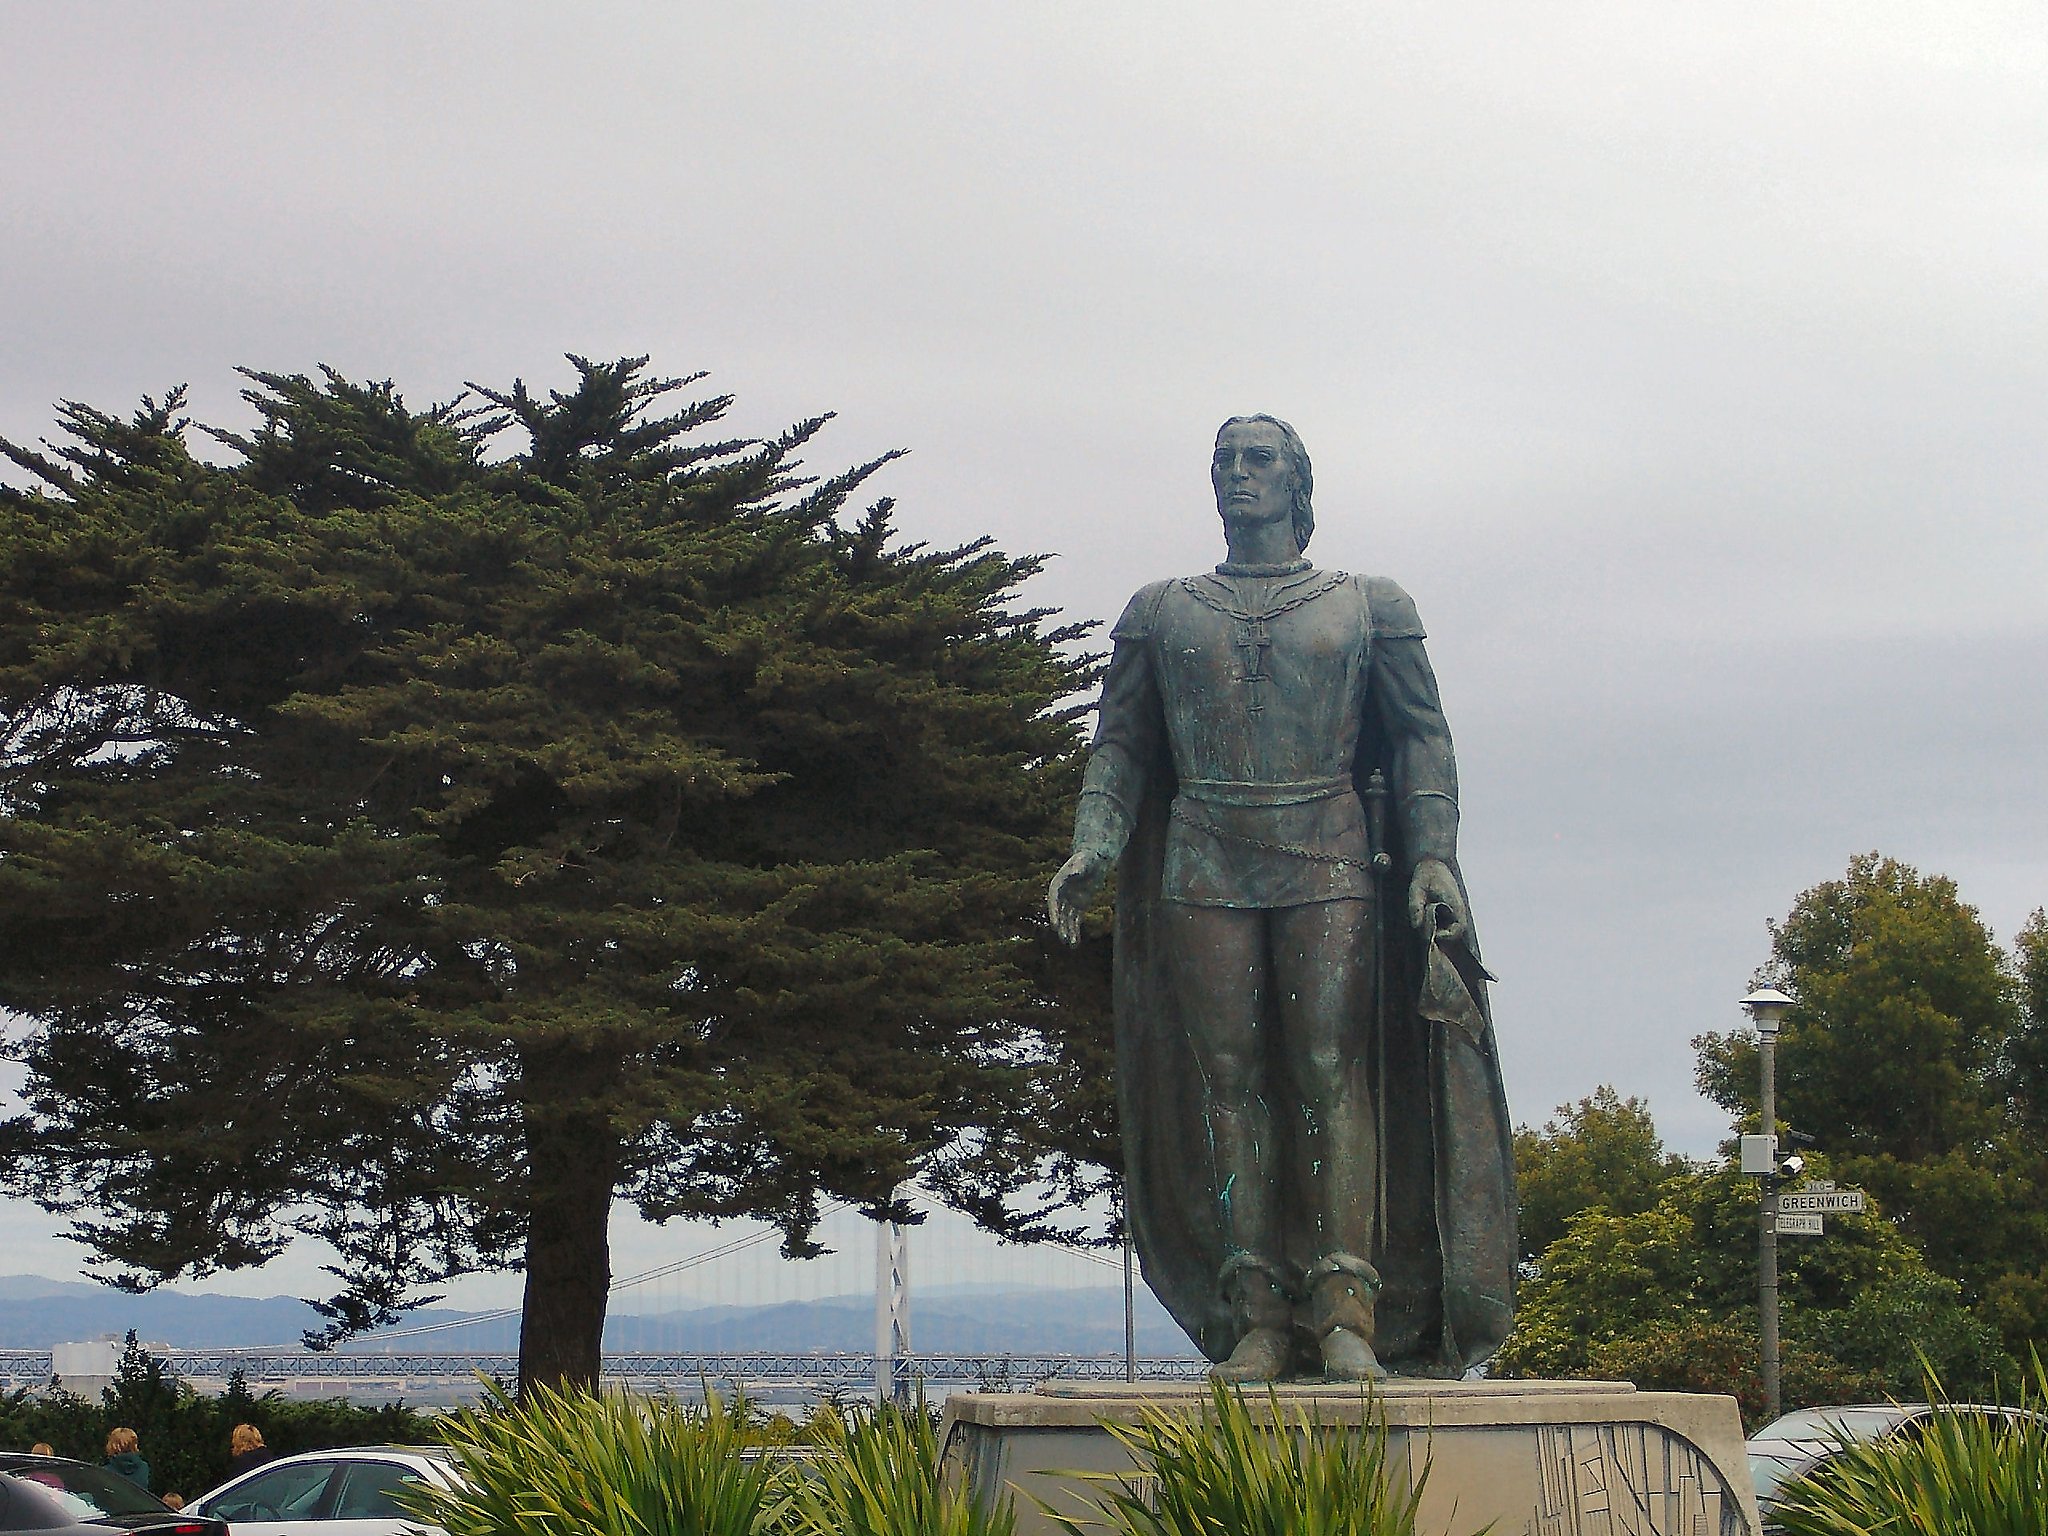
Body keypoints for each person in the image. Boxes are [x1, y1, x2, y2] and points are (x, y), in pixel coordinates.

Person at [1049, 415, 1515, 1381]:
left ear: (1298, 480)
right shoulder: (1162, 609)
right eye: (1223, 460)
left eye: (1258, 459)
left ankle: (1346, 1307)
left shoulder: (1367, 604)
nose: (1237, 474)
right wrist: (1095, 843)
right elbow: (1124, 744)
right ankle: (1255, 1308)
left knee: (1327, 1074)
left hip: (1327, 853)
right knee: (1225, 1081)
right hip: (1205, 857)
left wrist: (1433, 856)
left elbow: (1423, 739)